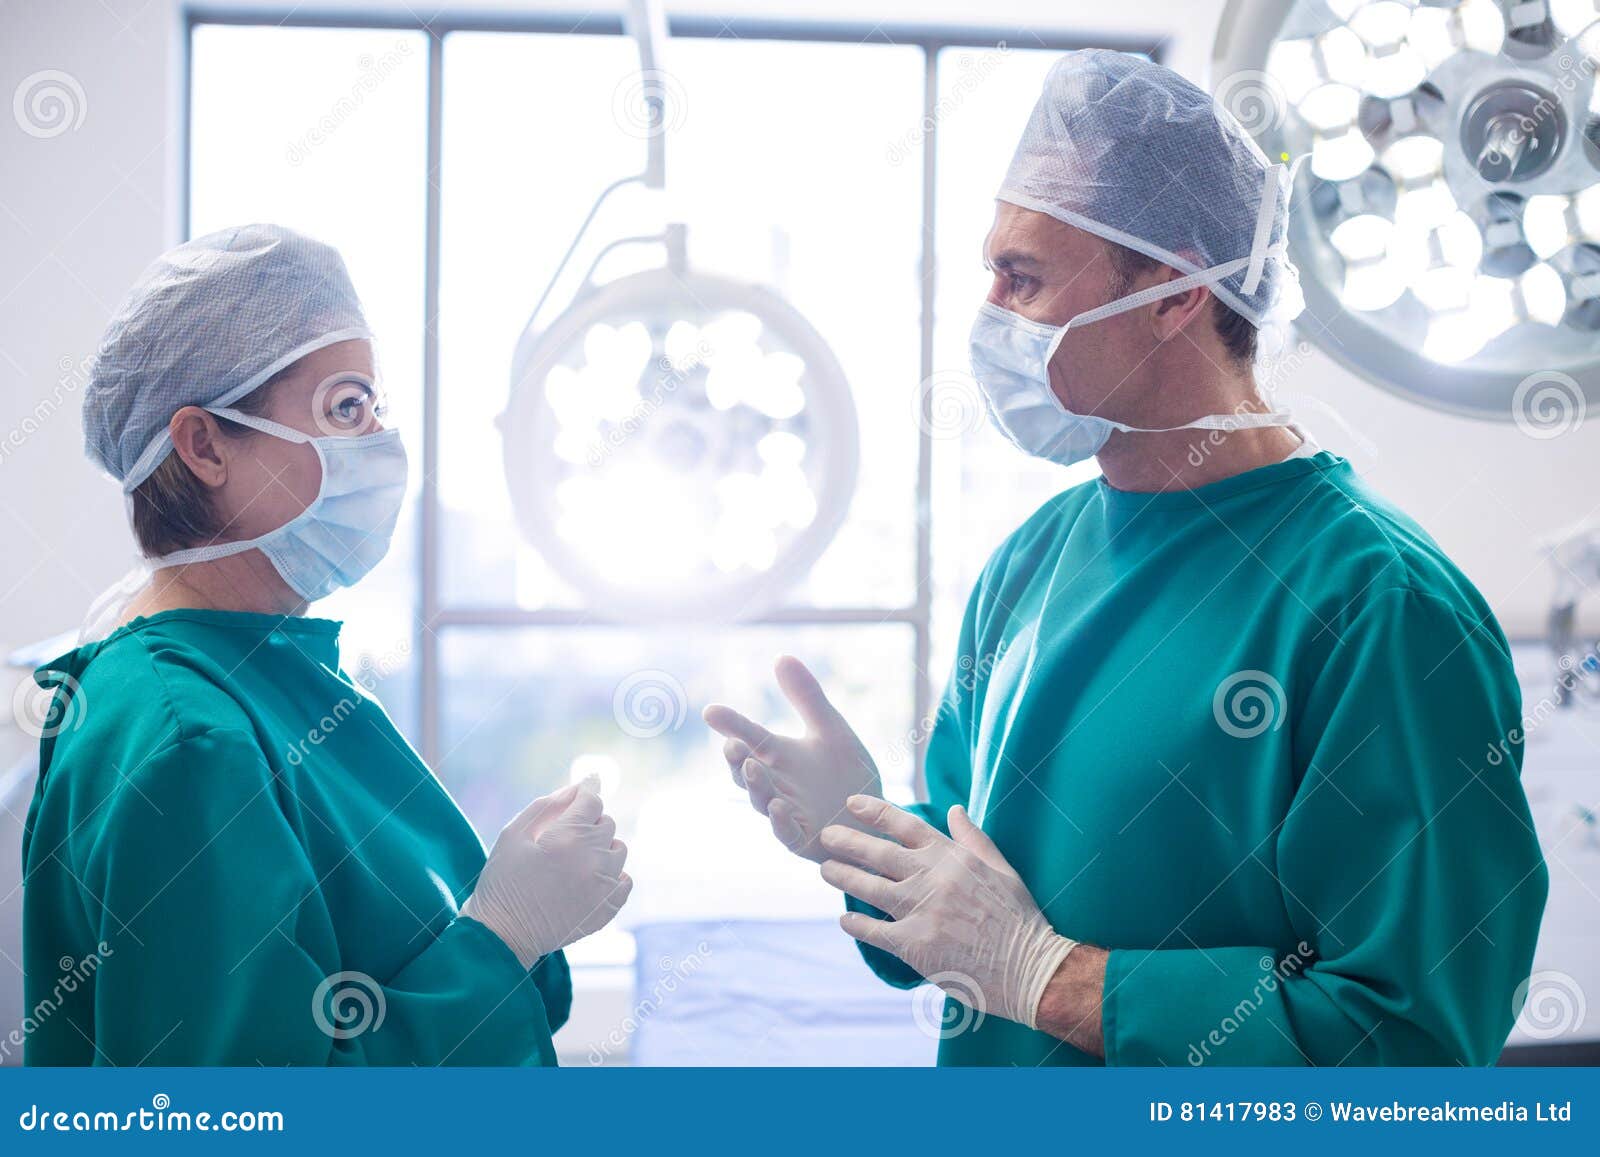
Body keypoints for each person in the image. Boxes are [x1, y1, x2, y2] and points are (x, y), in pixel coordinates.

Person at [705, 51, 1548, 1066]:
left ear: (1174, 290)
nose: (990, 315)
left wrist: (1049, 975)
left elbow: (1409, 1044)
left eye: (1023, 277)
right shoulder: (1031, 562)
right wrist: (860, 834)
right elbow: (972, 906)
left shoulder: (1377, 605)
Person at [23, 224, 630, 1065]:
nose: (381, 440)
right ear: (203, 445)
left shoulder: (262, 676)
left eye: (375, 406)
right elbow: (258, 1120)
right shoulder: (190, 738)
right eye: (345, 407)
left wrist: (513, 921)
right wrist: (503, 937)